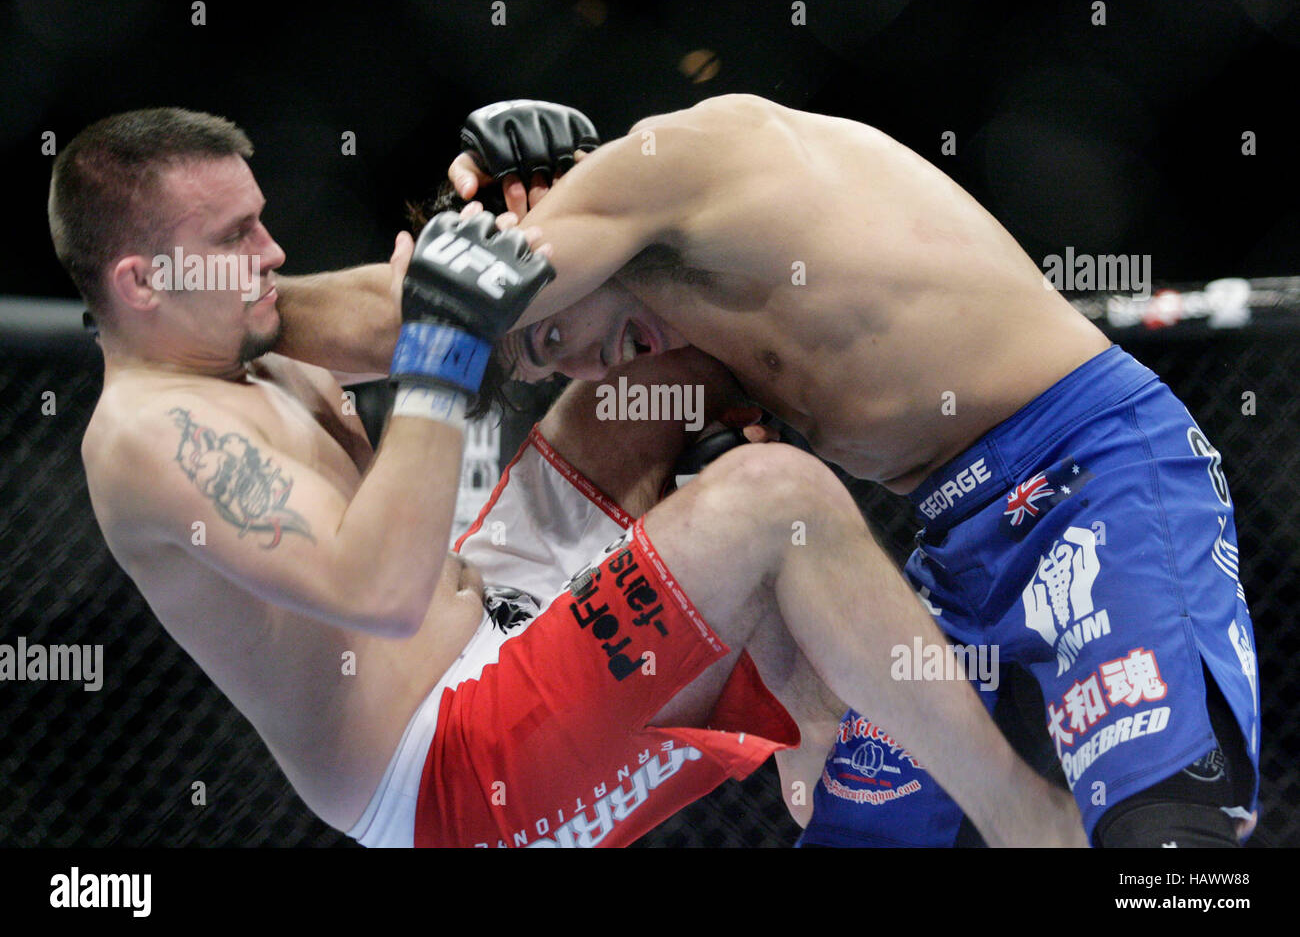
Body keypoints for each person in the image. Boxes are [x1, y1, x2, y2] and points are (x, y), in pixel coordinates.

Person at [49, 107, 1084, 848]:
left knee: (676, 370)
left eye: (264, 218)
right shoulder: (149, 437)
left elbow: (495, 304)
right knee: (775, 502)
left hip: (497, 605)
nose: (275, 251)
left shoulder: (246, 338)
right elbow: (379, 592)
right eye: (237, 237)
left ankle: (831, 747)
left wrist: (565, 201)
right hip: (443, 773)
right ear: (143, 282)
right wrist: (443, 346)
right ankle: (1023, 821)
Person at [434, 96, 1261, 847]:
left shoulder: (707, 182)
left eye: (548, 332)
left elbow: (413, 305)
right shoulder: (677, 346)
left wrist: (311, 305)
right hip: (953, 562)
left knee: (1168, 847)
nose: (579, 365)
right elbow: (760, 544)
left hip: (1088, 474)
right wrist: (808, 718)